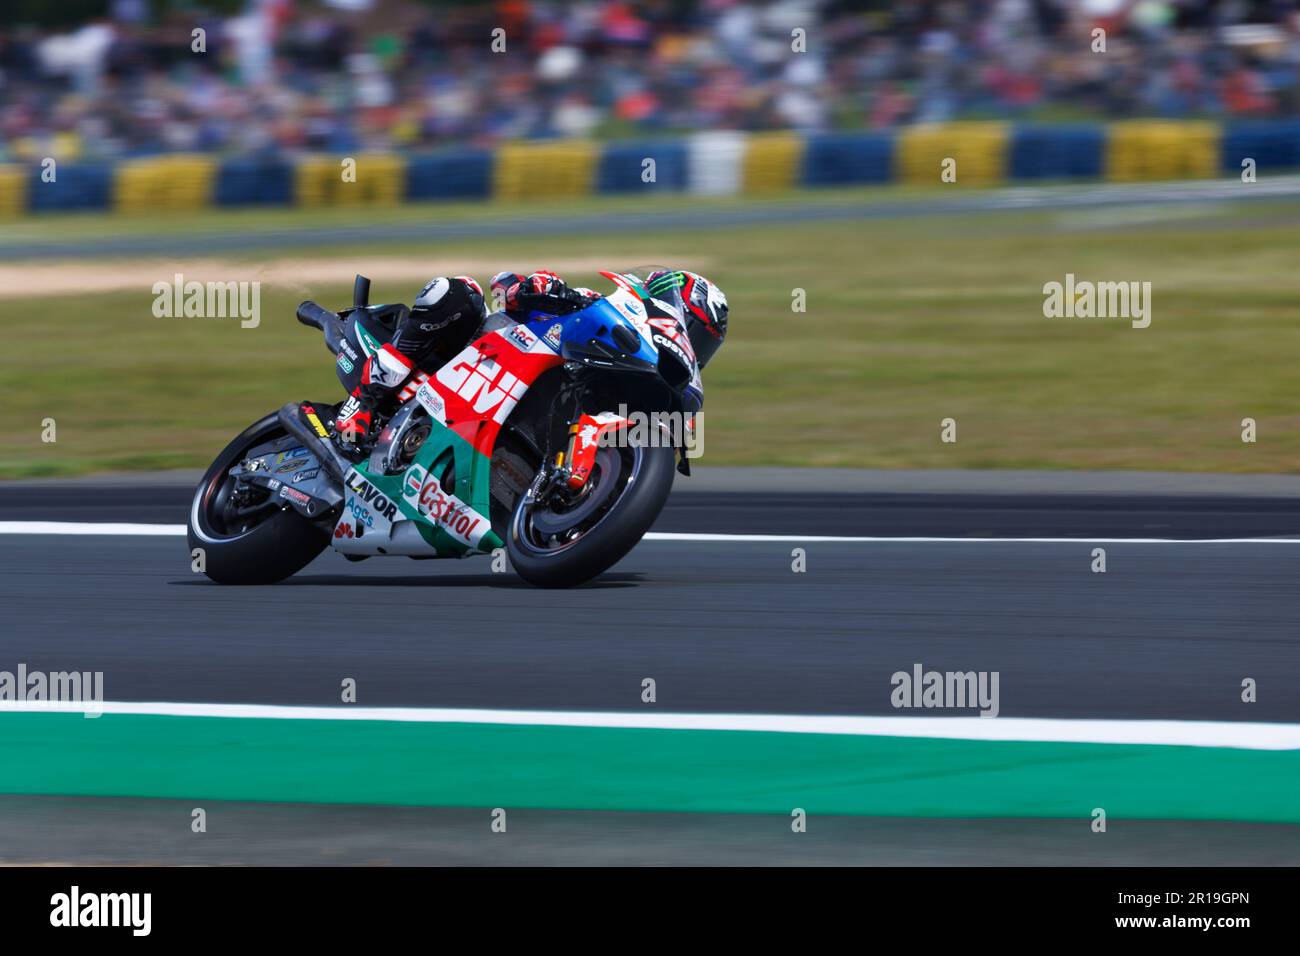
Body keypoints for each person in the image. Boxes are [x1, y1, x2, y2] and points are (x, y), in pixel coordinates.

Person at [332, 268, 728, 450]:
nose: (689, 343)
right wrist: (539, 286)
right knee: (456, 293)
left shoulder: (634, 384)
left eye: (701, 344)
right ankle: (363, 402)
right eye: (692, 329)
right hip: (474, 358)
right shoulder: (605, 311)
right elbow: (503, 288)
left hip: (498, 414)